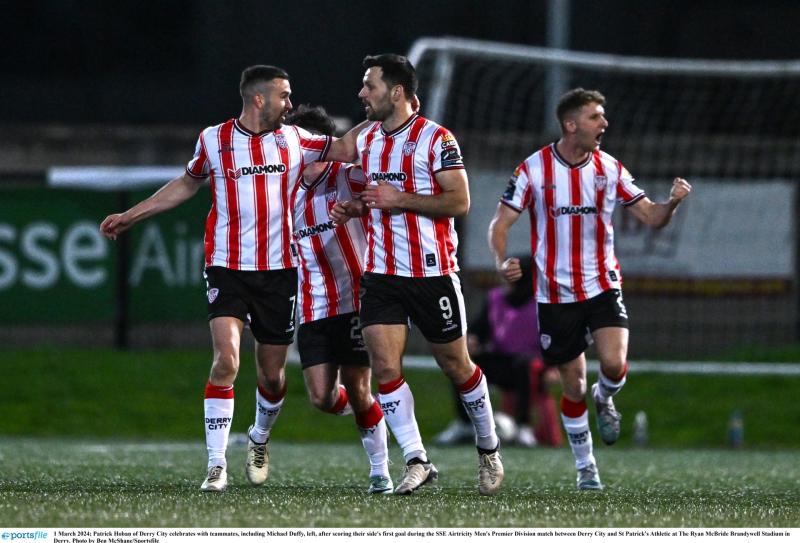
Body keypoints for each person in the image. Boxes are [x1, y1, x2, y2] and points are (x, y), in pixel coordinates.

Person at [100, 65, 365, 492]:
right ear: (258, 99)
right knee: (226, 360)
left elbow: (348, 147)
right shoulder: (214, 140)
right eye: (284, 95)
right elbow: (186, 185)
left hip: (279, 272)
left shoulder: (297, 140)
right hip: (226, 266)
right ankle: (216, 464)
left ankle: (258, 438)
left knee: (272, 376)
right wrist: (132, 215)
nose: (290, 104)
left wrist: (389, 112)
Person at [488, 88, 691, 490]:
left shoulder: (610, 168)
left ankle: (607, 395)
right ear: (571, 124)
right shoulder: (533, 169)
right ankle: (586, 469)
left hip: (602, 285)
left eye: (603, 116)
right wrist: (501, 261)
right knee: (573, 384)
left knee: (614, 366)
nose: (604, 124)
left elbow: (650, 216)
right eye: (596, 117)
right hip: (555, 294)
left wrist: (671, 204)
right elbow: (500, 223)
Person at [330, 53, 504, 496]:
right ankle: (417, 459)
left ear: (397, 92)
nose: (361, 93)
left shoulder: (436, 139)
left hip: (431, 273)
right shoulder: (366, 137)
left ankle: (488, 447)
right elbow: (334, 154)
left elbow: (458, 202)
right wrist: (358, 206)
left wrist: (399, 198)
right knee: (384, 367)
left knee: (456, 364)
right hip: (381, 275)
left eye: (369, 85)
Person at [284, 104, 391, 494]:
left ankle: (380, 471)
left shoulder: (348, 176)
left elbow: (384, 196)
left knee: (359, 387)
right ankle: (374, 412)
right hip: (313, 305)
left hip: (355, 301)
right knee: (320, 397)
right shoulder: (287, 191)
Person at [434, 255, 561, 448]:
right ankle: (465, 423)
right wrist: (472, 340)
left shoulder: (542, 303)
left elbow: (557, 339)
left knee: (524, 363)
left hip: (531, 365)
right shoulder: (496, 298)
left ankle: (523, 427)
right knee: (459, 362)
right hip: (501, 361)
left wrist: (554, 367)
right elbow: (479, 329)